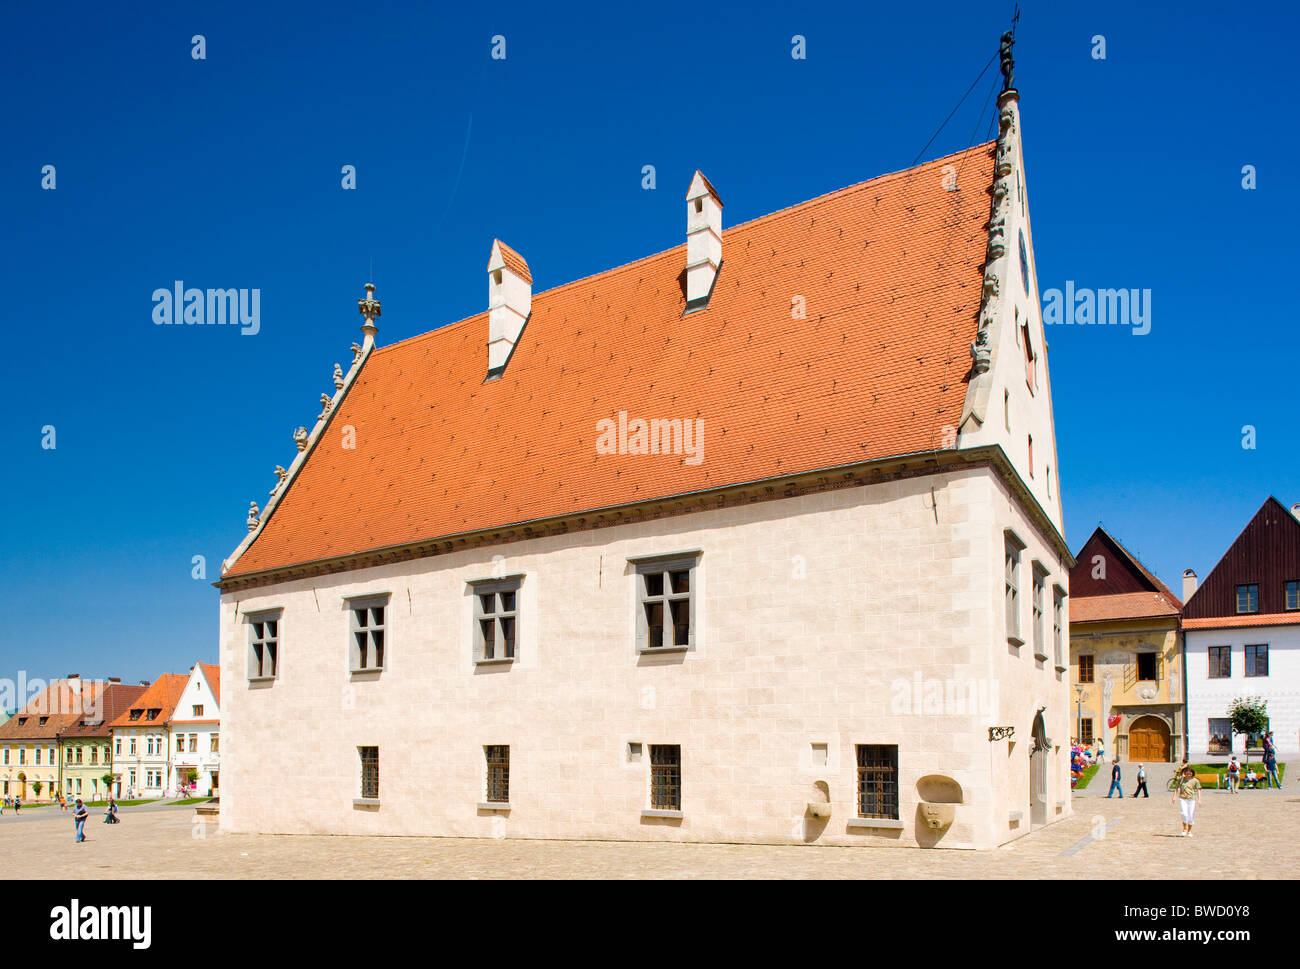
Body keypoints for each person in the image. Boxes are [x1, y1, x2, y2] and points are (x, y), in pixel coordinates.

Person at [1173, 765, 1202, 836]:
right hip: (1182, 798)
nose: (1188, 775)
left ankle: (1189, 831)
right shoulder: (1181, 780)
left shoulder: (1195, 781)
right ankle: (1184, 829)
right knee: (1184, 813)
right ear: (1184, 773)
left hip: (1191, 799)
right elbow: (1176, 788)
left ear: (1192, 773)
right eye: (1187, 773)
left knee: (1191, 815)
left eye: (1190, 773)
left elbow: (1198, 790)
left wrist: (1199, 799)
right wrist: (1174, 797)